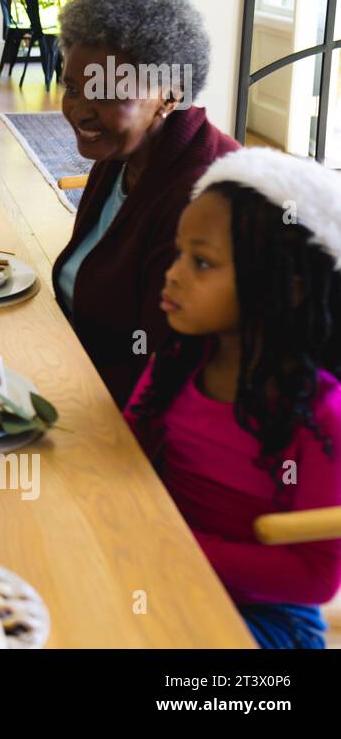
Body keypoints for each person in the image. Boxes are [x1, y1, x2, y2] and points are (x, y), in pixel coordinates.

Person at [124, 148, 341, 648]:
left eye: (202, 263)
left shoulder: (320, 415)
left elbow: (314, 576)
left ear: (289, 288)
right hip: (158, 574)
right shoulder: (176, 365)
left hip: (265, 620)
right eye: (179, 253)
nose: (173, 274)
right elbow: (124, 454)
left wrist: (173, 546)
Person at [51, 0, 239, 406]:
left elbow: (162, 370)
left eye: (109, 92)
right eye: (73, 88)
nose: (80, 110)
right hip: (77, 382)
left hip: (128, 432)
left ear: (169, 95)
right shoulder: (120, 158)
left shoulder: (200, 198)